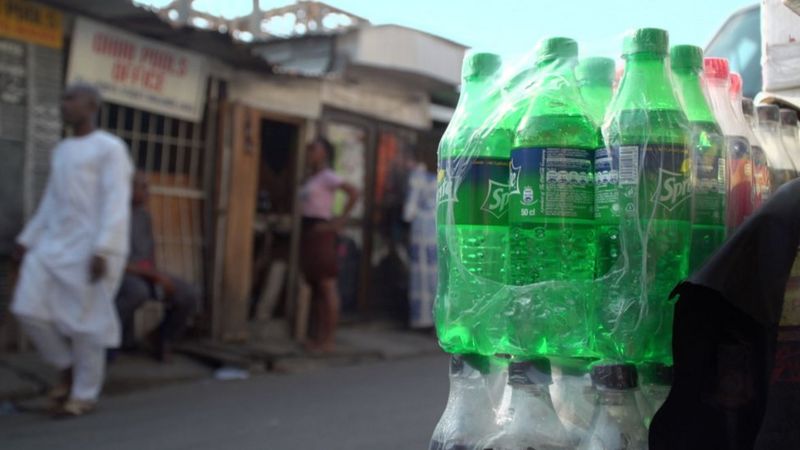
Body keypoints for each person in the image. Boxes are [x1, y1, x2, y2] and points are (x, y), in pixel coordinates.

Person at [11, 83, 133, 417]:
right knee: (27, 308)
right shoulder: (62, 150)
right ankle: (65, 367)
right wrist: (27, 239)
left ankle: (84, 393)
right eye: (63, 97)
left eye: (70, 99)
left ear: (91, 105)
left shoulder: (109, 148)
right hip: (54, 245)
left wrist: (104, 250)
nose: (63, 104)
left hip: (91, 248)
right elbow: (52, 200)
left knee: (86, 325)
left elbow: (116, 202)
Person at [115, 173, 200, 361]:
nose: (148, 192)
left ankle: (161, 339)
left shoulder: (144, 216)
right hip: (123, 273)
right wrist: (153, 276)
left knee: (188, 293)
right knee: (137, 292)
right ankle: (110, 343)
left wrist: (157, 276)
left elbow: (149, 253)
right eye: (142, 187)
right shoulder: (114, 216)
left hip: (146, 273)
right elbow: (116, 261)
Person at [299, 137, 359, 353]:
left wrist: (339, 221)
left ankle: (328, 340)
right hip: (309, 232)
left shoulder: (327, 177)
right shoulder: (310, 177)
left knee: (327, 285)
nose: (309, 153)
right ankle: (317, 338)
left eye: (313, 149)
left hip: (322, 231)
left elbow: (353, 192)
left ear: (324, 153)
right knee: (316, 286)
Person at [403, 157, 437, 329]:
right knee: (436, 275)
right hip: (437, 227)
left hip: (422, 229)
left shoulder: (417, 175)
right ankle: (436, 320)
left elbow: (409, 210)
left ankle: (422, 319)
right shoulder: (442, 174)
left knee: (421, 274)